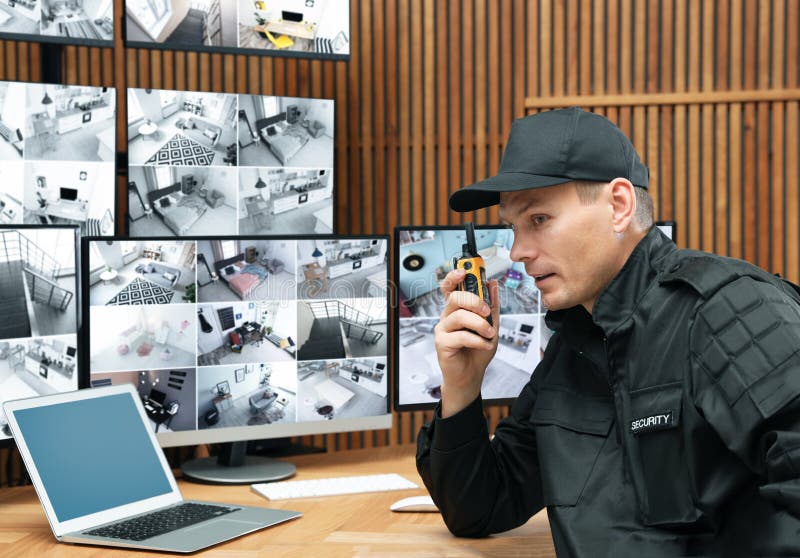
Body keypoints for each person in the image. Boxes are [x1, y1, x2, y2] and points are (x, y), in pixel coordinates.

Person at [416, 107, 800, 556]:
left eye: (538, 220)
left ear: (619, 206)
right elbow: (480, 508)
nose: (518, 251)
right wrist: (462, 385)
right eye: (511, 228)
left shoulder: (728, 308)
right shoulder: (572, 347)